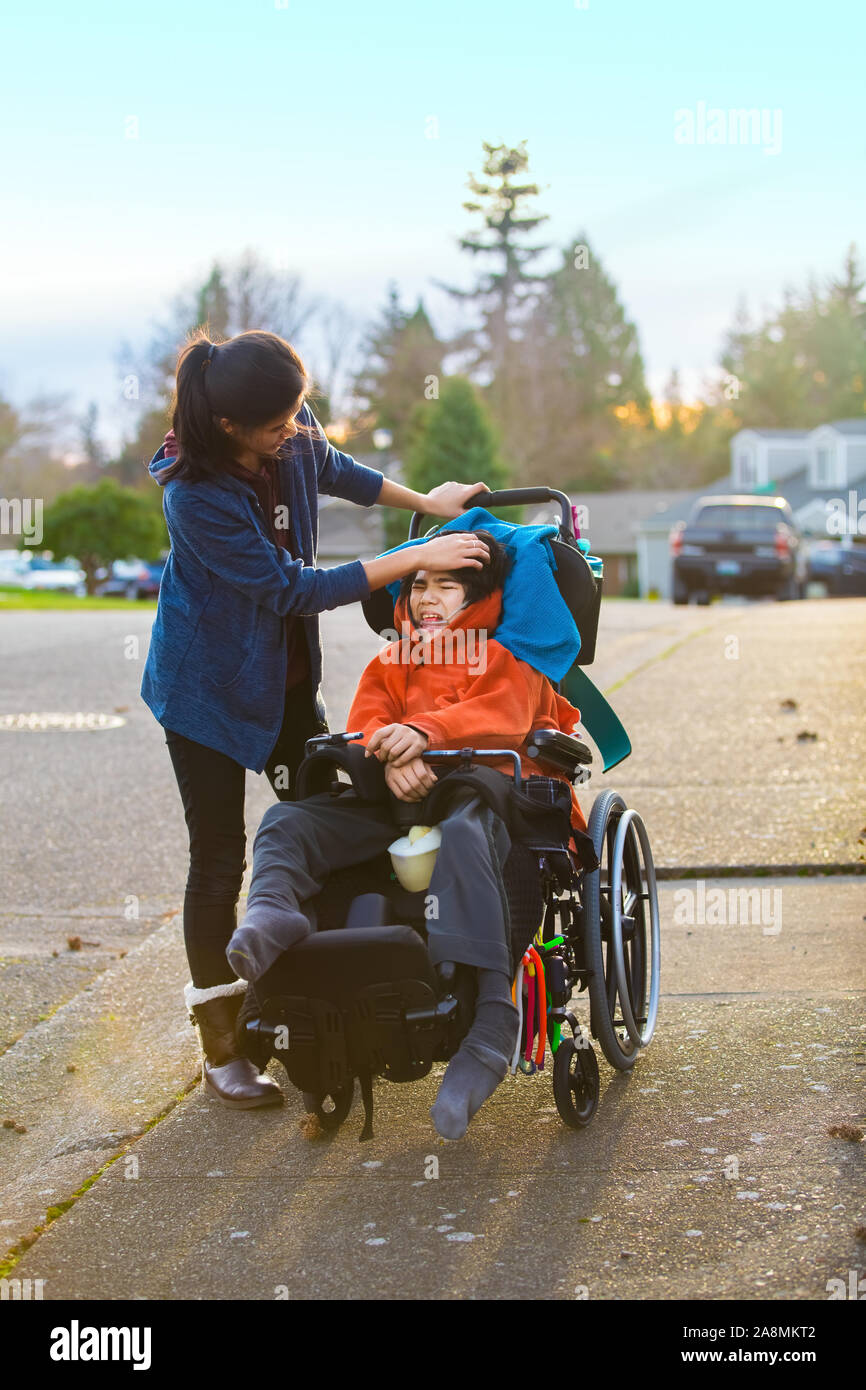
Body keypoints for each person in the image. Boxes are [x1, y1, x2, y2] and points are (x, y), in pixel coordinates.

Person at [141, 328, 492, 1110]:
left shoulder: (290, 436)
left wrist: (425, 505)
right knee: (219, 858)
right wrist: (406, 560)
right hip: (206, 693)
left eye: (300, 415)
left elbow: (338, 469)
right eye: (278, 425)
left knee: (330, 814)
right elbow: (291, 588)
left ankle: (325, 989)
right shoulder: (194, 495)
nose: (295, 433)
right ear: (230, 428)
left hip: (287, 686)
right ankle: (224, 1048)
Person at [226, 533, 588, 1139]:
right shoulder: (392, 659)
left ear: (482, 599)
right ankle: (273, 914)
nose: (428, 597)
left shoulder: (510, 655)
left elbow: (501, 716)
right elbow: (366, 723)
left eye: (447, 585)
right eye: (419, 583)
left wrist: (425, 732)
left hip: (489, 804)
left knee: (462, 824)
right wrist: (389, 755)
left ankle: (492, 1013)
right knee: (288, 820)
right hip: (394, 805)